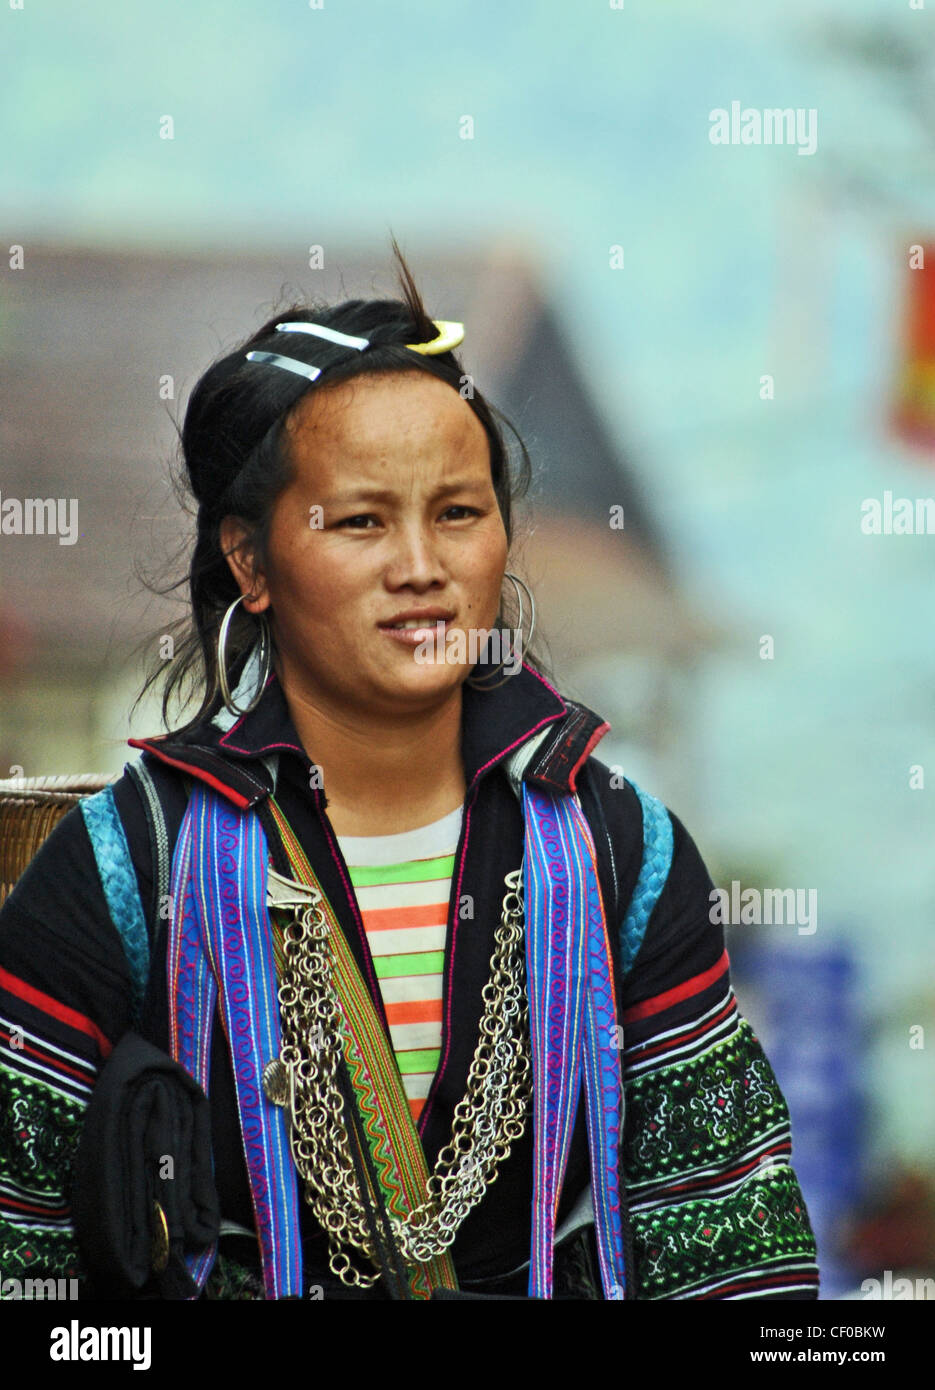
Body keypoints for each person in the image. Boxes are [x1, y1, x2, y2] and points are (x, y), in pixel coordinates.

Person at [0, 245, 820, 1301]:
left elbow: (730, 1247)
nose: (421, 566)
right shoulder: (122, 869)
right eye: (360, 521)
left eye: (458, 513)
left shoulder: (623, 854)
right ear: (249, 561)